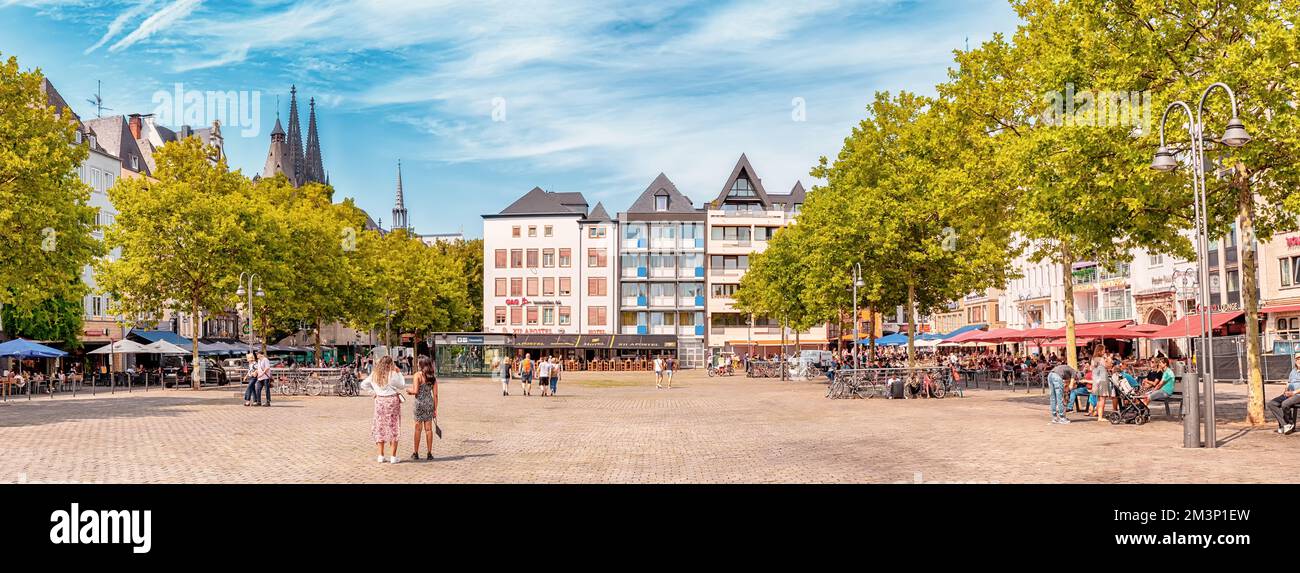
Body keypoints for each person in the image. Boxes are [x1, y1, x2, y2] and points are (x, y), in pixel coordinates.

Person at [361, 355, 408, 464]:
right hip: (392, 401)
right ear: (390, 364)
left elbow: (363, 384)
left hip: (380, 402)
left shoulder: (374, 374)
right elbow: (402, 386)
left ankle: (381, 455)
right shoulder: (393, 374)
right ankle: (393, 456)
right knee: (393, 426)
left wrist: (374, 393)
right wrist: (399, 372)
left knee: (380, 426)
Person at [409, 356, 438, 460]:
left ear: (421, 364)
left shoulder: (417, 375)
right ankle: (429, 453)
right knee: (428, 429)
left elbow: (415, 391)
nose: (417, 364)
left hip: (419, 404)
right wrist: (435, 409)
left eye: (418, 363)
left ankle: (416, 453)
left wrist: (409, 391)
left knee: (418, 429)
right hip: (429, 403)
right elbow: (435, 395)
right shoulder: (432, 377)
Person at [1265, 355, 1300, 434]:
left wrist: (1294, 392)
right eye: (1297, 359)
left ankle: (1288, 424)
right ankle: (1286, 424)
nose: (1299, 361)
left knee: (1285, 404)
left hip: (1298, 395)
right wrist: (1286, 391)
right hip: (1290, 393)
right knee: (1272, 404)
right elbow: (1288, 383)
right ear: (1295, 360)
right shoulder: (1293, 371)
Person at [1090, 350, 1111, 420]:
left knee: (1099, 399)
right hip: (1102, 380)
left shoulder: (1093, 359)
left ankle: (1099, 415)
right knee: (1102, 399)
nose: (1104, 352)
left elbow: (1091, 369)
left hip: (1096, 380)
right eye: (1103, 350)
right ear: (1100, 351)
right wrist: (1108, 358)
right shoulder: (1101, 359)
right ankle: (1100, 417)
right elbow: (1108, 366)